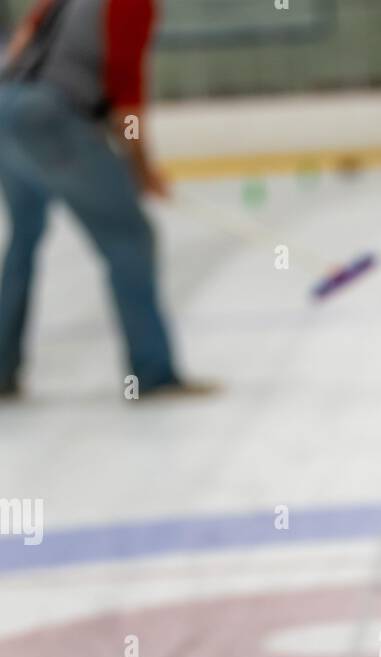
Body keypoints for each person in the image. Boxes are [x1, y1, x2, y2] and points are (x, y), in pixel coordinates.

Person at [0, 0, 210, 399]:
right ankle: (151, 374)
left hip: (5, 110)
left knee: (23, 238)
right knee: (129, 239)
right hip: (50, 117)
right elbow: (127, 96)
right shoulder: (132, 4)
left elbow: (20, 47)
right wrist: (141, 167)